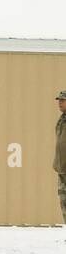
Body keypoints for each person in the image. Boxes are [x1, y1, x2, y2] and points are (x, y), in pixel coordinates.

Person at [55, 89, 66, 224]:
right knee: (63, 203)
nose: (60, 103)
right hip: (62, 170)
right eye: (59, 101)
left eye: (63, 101)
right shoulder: (61, 120)